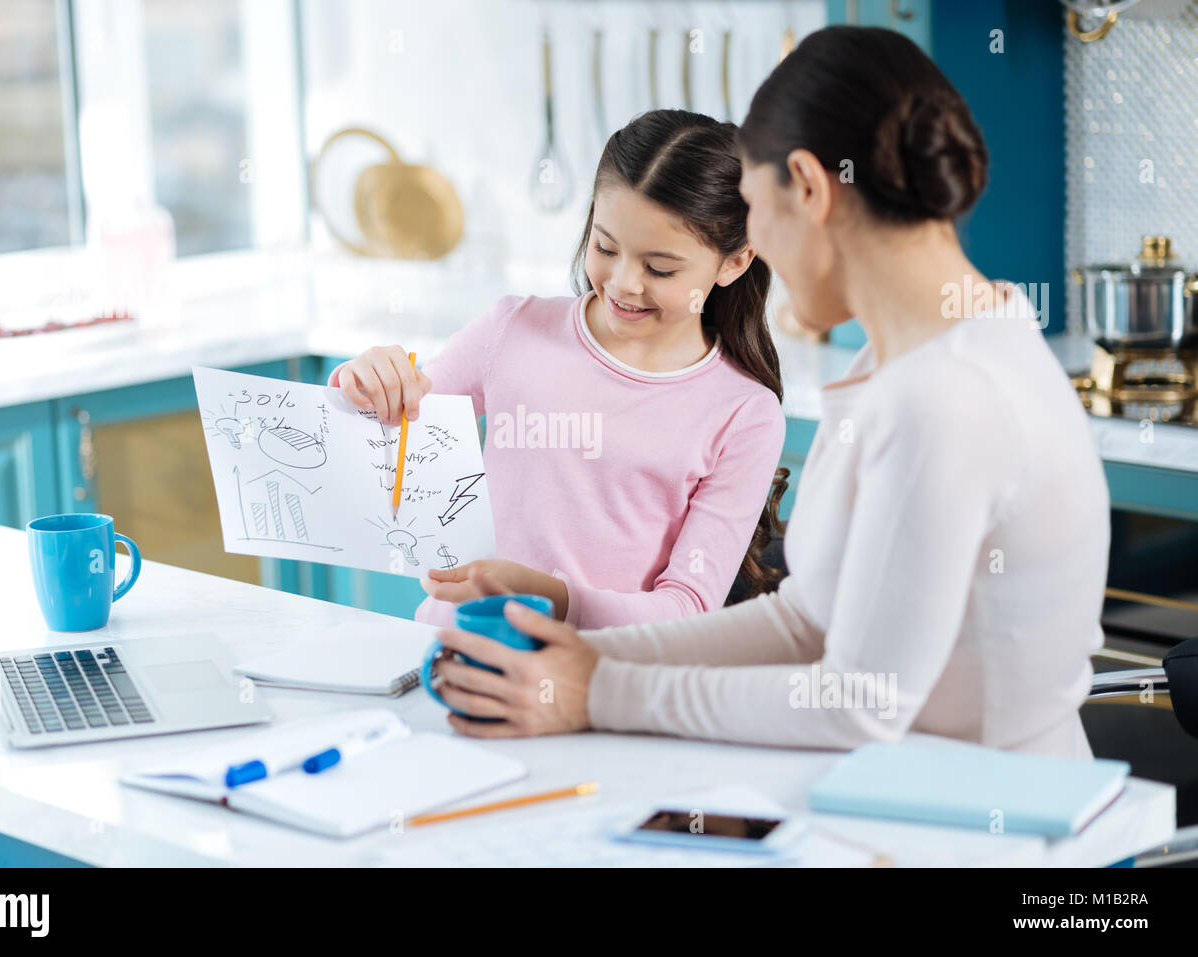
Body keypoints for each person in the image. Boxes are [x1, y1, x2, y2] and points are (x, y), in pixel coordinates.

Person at [429, 26, 1109, 759]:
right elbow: (804, 623)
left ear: (810, 190)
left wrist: (594, 692)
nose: (758, 257)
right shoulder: (936, 352)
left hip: (988, 815)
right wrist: (597, 663)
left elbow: (859, 700)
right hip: (917, 785)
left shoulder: (943, 395)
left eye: (755, 209)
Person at [329, 110, 786, 629]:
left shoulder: (744, 413)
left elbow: (686, 609)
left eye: (660, 268)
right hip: (446, 654)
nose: (622, 283)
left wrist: (549, 598)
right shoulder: (512, 329)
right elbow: (382, 432)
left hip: (596, 688)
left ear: (735, 262)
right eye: (605, 246)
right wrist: (363, 383)